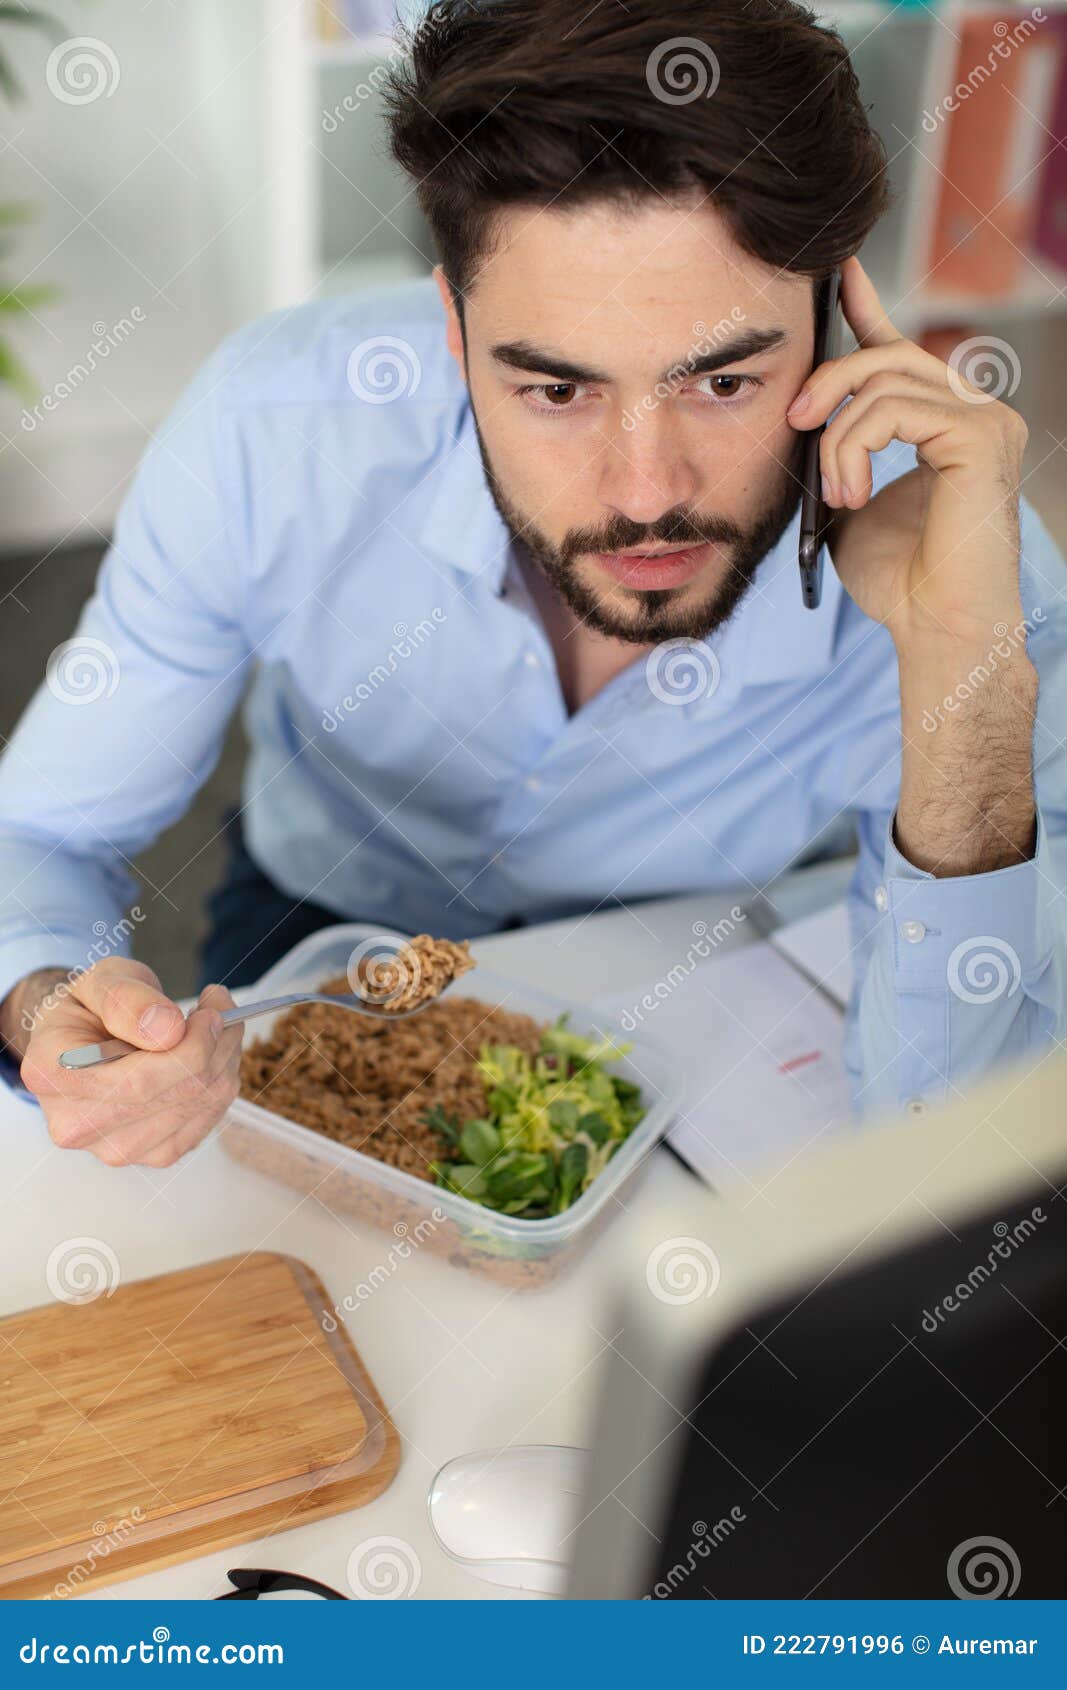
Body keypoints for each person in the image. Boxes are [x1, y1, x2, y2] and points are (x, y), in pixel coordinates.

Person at [0, 0, 1063, 1171]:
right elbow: (44, 826)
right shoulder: (271, 431)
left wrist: (964, 667)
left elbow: (957, 1151)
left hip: (683, 958)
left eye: (720, 383)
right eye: (557, 391)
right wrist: (48, 997)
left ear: (832, 331)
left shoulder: (963, 554)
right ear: (454, 334)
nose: (646, 490)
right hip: (318, 913)